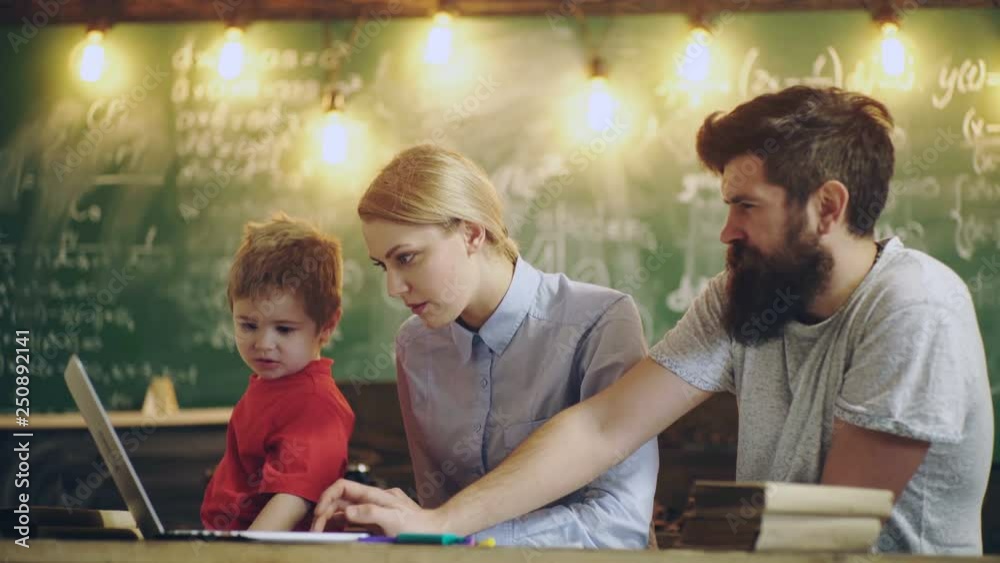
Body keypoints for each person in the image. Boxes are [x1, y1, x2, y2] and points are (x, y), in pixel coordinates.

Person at [312, 87, 994, 555]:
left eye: (747, 206)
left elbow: (833, 532)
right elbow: (603, 425)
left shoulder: (912, 306)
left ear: (827, 207)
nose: (726, 229)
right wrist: (438, 521)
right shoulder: (743, 296)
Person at [322, 144, 658, 548]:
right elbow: (436, 510)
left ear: (472, 233)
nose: (393, 287)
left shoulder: (600, 321)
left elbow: (619, 526)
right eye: (383, 266)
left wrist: (462, 537)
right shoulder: (415, 346)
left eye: (407, 258)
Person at [201, 213, 355, 531]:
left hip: (269, 551)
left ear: (327, 326)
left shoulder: (316, 404)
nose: (263, 344)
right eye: (248, 325)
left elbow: (293, 498)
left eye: (284, 329)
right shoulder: (269, 385)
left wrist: (241, 553)